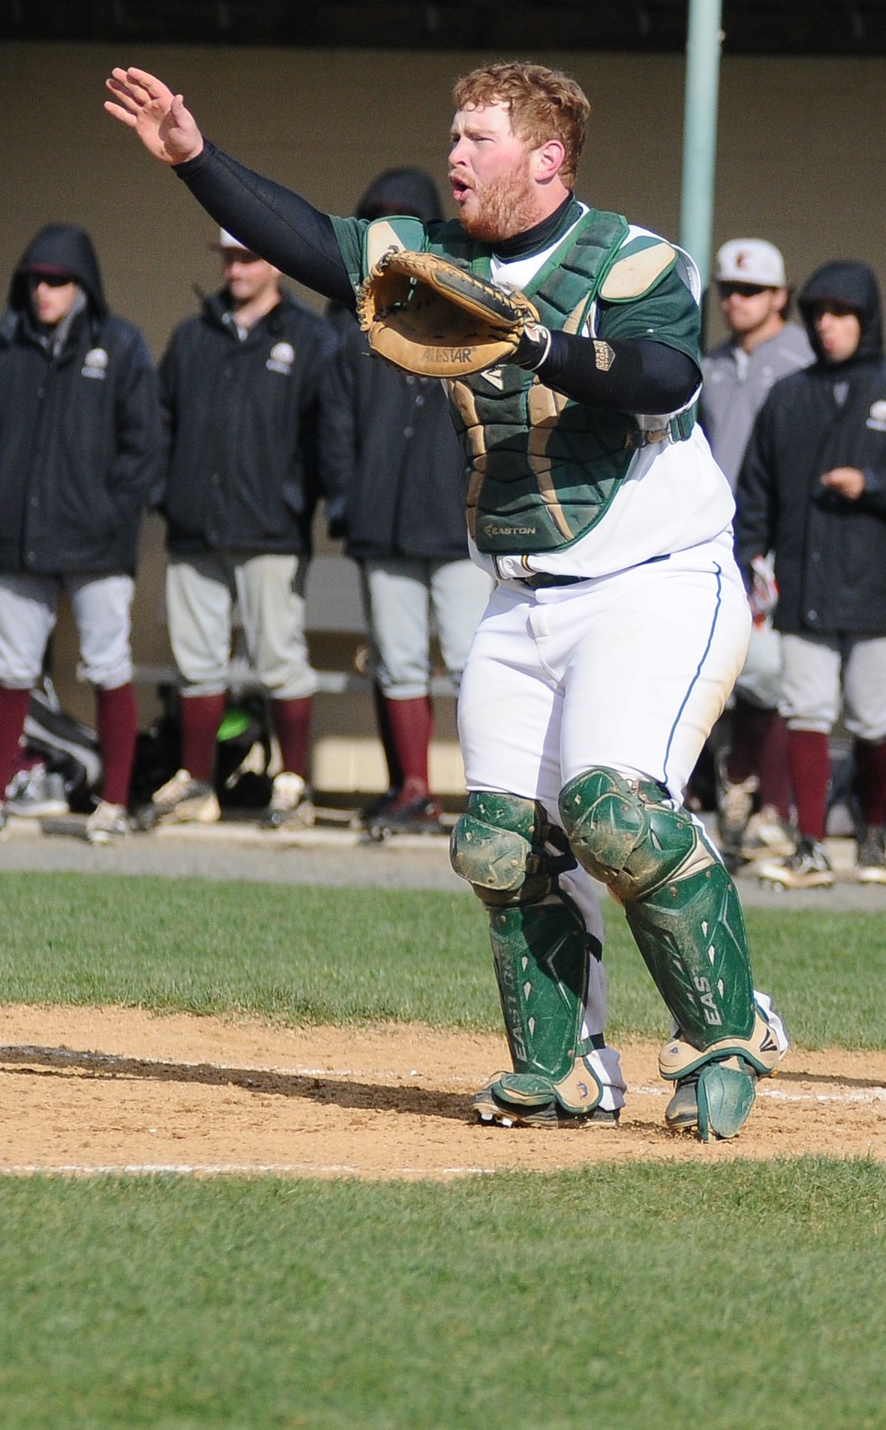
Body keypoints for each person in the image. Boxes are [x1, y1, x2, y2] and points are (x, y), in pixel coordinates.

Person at [104, 61, 787, 1140]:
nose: (455, 156)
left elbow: (665, 376)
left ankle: (722, 1036)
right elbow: (306, 238)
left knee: (614, 813)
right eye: (454, 135)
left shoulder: (630, 254)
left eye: (479, 138)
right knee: (499, 840)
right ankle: (564, 1068)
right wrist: (194, 153)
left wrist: (539, 343)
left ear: (547, 156)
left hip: (656, 581)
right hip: (522, 593)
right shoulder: (439, 253)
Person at [735, 259, 886, 888]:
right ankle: (810, 843)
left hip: (881, 587)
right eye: (819, 315)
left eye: (841, 315)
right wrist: (748, 560)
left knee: (872, 715)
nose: (828, 327)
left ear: (867, 319)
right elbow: (755, 492)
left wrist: (873, 484)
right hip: (804, 586)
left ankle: (874, 833)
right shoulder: (789, 397)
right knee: (805, 708)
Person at [0, 223, 161, 843]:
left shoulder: (122, 345)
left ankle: (112, 804)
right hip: (20, 542)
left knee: (107, 664)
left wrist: (110, 514)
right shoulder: (5, 349)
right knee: (11, 668)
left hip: (96, 545)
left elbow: (145, 447)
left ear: (82, 285)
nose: (43, 291)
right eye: (34, 280)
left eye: (56, 280)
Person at [142, 227, 334, 831]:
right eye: (227, 258)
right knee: (197, 663)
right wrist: (166, 495)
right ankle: (199, 785)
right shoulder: (192, 336)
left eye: (247, 257)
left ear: (274, 265)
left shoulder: (309, 340)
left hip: (270, 531)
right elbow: (158, 423)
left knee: (280, 658)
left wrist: (293, 501)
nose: (235, 270)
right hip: (196, 528)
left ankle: (293, 784)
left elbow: (325, 440)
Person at [323, 167, 491, 836]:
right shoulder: (349, 319)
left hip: (455, 527)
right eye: (377, 216)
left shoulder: (472, 303)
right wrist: (349, 498)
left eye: (401, 217)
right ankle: (413, 789)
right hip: (380, 524)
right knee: (396, 659)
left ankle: (491, 796)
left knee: (473, 662)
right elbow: (333, 429)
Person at [700, 238, 813, 866]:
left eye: (750, 291)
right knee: (727, 671)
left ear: (779, 297)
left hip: (772, 538)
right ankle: (734, 796)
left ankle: (768, 801)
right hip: (713, 535)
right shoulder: (711, 363)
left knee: (769, 671)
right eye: (727, 290)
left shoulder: (801, 359)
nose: (735, 301)